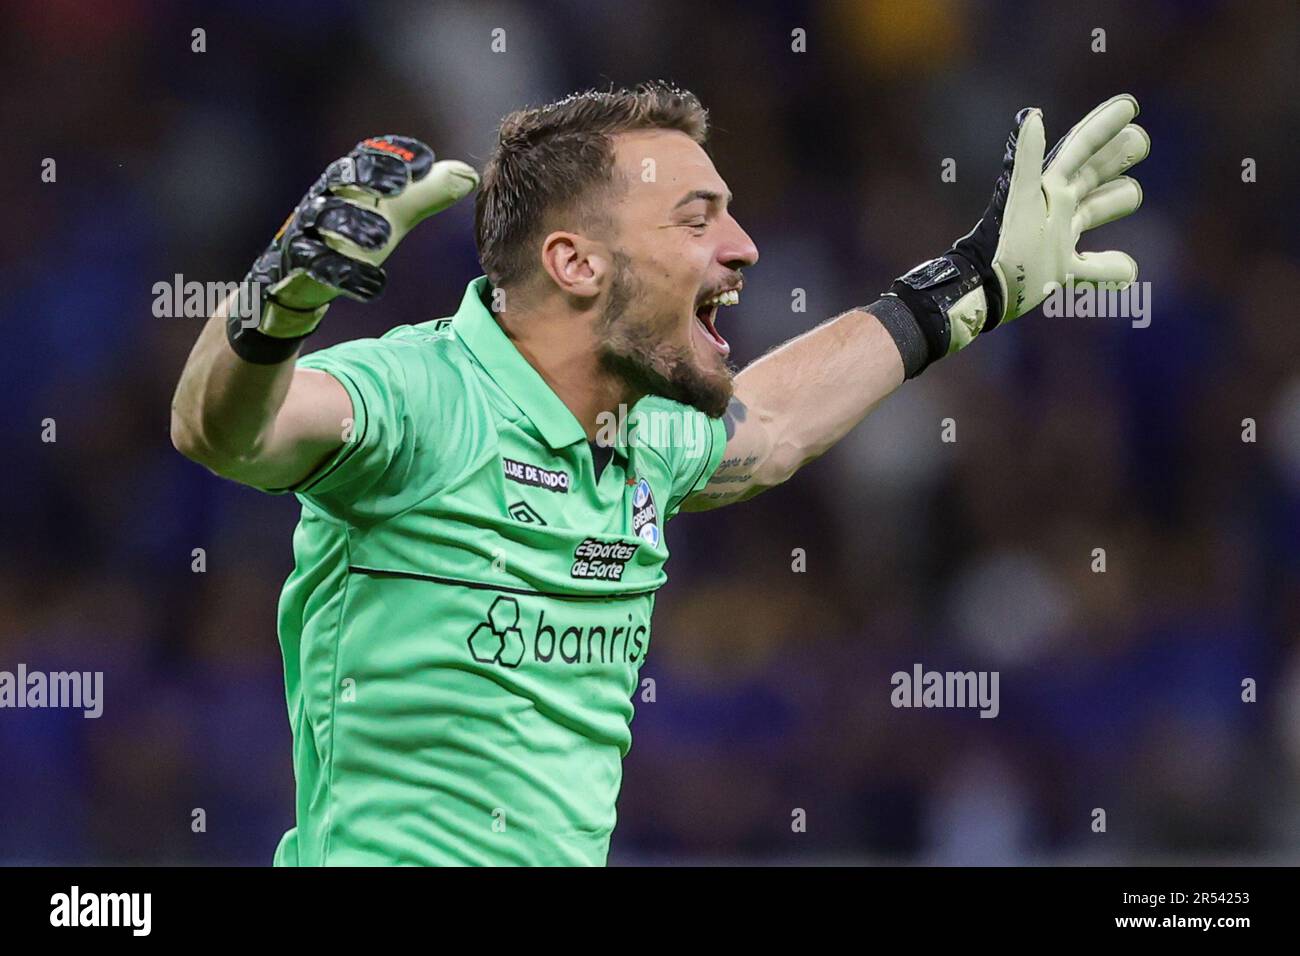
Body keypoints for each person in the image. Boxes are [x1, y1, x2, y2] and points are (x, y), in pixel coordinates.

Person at [170, 82, 1148, 865]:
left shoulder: (645, 432)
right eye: (697, 220)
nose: (743, 246)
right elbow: (223, 431)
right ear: (576, 262)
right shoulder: (423, 394)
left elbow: (772, 426)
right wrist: (282, 294)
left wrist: (972, 282)